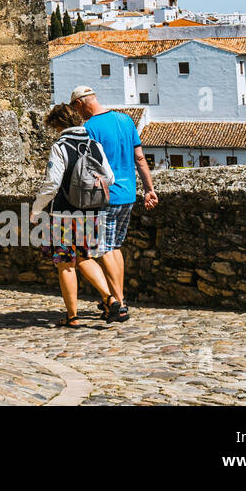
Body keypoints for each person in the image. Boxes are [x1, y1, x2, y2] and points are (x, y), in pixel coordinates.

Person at [69, 86, 159, 322]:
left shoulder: (88, 129)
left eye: (75, 108)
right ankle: (120, 300)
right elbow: (140, 157)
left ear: (80, 103)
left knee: (104, 249)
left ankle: (117, 303)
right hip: (128, 194)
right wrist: (149, 189)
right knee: (115, 247)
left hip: (105, 197)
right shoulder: (126, 119)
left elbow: (85, 168)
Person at [32, 102, 115, 328]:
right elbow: (110, 178)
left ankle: (73, 316)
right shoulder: (94, 145)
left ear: (58, 124)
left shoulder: (60, 146)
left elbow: (52, 184)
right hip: (91, 212)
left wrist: (37, 209)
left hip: (64, 214)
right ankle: (110, 297)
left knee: (65, 263)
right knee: (86, 257)